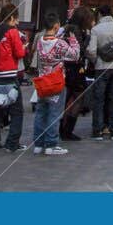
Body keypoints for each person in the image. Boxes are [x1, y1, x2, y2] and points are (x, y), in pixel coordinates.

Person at [32, 11, 79, 155]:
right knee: (54, 113)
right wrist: (73, 41)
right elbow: (75, 55)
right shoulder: (60, 44)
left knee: (41, 113)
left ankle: (38, 144)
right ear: (57, 26)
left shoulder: (40, 41)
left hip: (42, 82)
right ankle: (51, 144)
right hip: (56, 83)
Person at [0, 4, 27, 153]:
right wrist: (24, 45)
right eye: (16, 19)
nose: (17, 22)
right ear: (12, 17)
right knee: (17, 110)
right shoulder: (12, 32)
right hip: (9, 74)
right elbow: (20, 53)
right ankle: (12, 142)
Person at [87, 4, 113, 140]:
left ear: (99, 14)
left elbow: (91, 50)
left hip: (101, 67)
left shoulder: (95, 29)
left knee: (99, 99)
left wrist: (96, 60)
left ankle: (97, 130)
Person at [58, 7, 92, 142]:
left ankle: (64, 128)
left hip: (68, 67)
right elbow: (80, 50)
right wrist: (88, 37)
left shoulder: (67, 28)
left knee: (69, 97)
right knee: (77, 97)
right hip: (74, 68)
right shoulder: (75, 30)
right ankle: (67, 129)